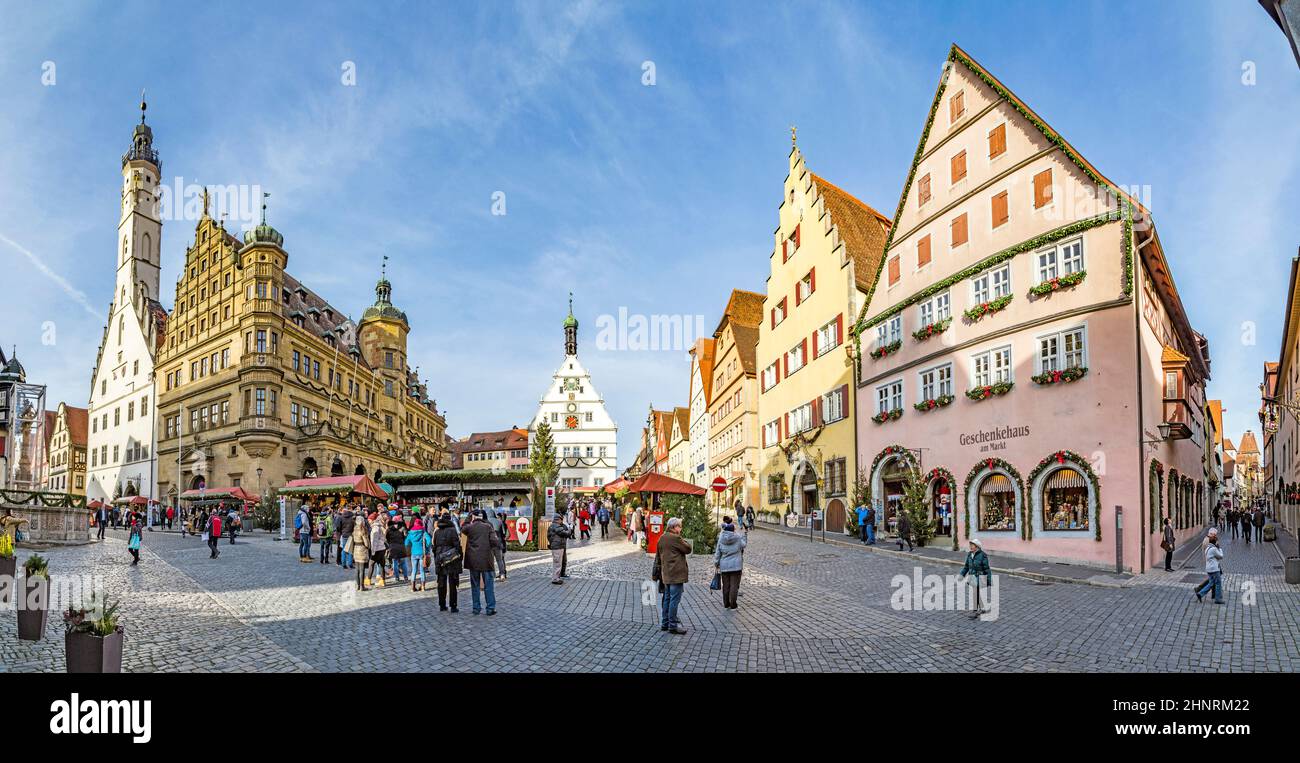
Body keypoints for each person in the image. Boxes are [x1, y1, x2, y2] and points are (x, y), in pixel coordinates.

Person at [655, 517, 691, 634]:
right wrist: (681, 538)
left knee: (667, 599)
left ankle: (664, 624)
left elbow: (658, 557)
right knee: (674, 600)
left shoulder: (662, 538)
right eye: (679, 526)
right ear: (674, 527)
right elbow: (688, 548)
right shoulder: (675, 538)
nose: (680, 529)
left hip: (666, 574)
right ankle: (673, 626)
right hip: (676, 574)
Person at [462, 510, 500, 615]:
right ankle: (490, 608)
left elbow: (463, 528)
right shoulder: (488, 527)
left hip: (473, 561)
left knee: (475, 585)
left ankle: (476, 608)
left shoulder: (469, 527)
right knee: (489, 585)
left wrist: (468, 518)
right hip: (486, 560)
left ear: (473, 517)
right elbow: (495, 542)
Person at [713, 518, 746, 610]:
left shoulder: (721, 538)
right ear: (733, 530)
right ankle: (733, 604)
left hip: (724, 565)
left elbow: (718, 552)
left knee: (726, 585)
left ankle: (726, 603)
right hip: (736, 566)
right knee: (734, 585)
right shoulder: (738, 538)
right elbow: (744, 545)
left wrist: (716, 563)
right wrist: (744, 535)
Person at [433, 512, 462, 612]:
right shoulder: (453, 530)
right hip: (451, 559)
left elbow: (434, 546)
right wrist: (460, 556)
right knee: (452, 582)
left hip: (440, 558)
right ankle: (453, 605)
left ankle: (442, 605)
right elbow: (457, 545)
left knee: (441, 582)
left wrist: (437, 557)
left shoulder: (437, 531)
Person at [958, 538, 991, 619]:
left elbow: (987, 568)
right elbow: (966, 566)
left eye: (972, 545)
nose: (970, 547)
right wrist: (962, 575)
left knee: (975, 593)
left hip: (980, 577)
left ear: (977, 547)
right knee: (976, 593)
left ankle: (975, 611)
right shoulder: (970, 554)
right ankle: (982, 608)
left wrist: (989, 580)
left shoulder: (983, 555)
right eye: (970, 545)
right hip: (972, 577)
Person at [1195, 529, 1224, 604]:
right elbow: (1221, 556)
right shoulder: (1213, 549)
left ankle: (1200, 593)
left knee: (1211, 583)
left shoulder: (1208, 547)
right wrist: (1219, 548)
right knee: (1218, 583)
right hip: (1214, 568)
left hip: (1209, 567)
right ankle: (1218, 599)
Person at [405, 518, 431, 592]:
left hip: (414, 553)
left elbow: (406, 543)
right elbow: (429, 541)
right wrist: (426, 547)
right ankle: (423, 587)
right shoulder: (423, 532)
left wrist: (412, 544)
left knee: (414, 570)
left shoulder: (410, 533)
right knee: (422, 570)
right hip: (422, 553)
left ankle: (413, 587)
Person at [548, 511, 571, 584]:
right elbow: (565, 533)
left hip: (557, 546)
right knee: (557, 563)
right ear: (557, 519)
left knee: (558, 562)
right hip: (557, 546)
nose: (562, 521)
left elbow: (549, 537)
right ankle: (555, 579)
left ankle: (557, 577)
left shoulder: (553, 525)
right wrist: (570, 531)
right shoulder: (556, 526)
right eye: (561, 519)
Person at [351, 513, 371, 591]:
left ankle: (357, 585)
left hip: (356, 548)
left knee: (357, 569)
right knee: (362, 569)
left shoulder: (355, 528)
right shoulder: (363, 529)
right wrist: (368, 546)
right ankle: (362, 586)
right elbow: (366, 541)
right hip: (362, 549)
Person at [386, 514, 409, 583]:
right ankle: (405, 577)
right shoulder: (402, 528)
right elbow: (405, 537)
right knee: (403, 563)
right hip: (401, 547)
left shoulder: (389, 529)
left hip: (393, 547)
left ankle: (397, 577)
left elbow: (387, 538)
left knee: (395, 563)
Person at [369, 513, 388, 587]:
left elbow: (374, 540)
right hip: (382, 548)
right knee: (382, 565)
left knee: (371, 564)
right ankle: (383, 581)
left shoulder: (375, 527)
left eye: (369, 519)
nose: (368, 521)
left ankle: (368, 580)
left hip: (377, 549)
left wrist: (373, 551)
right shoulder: (381, 526)